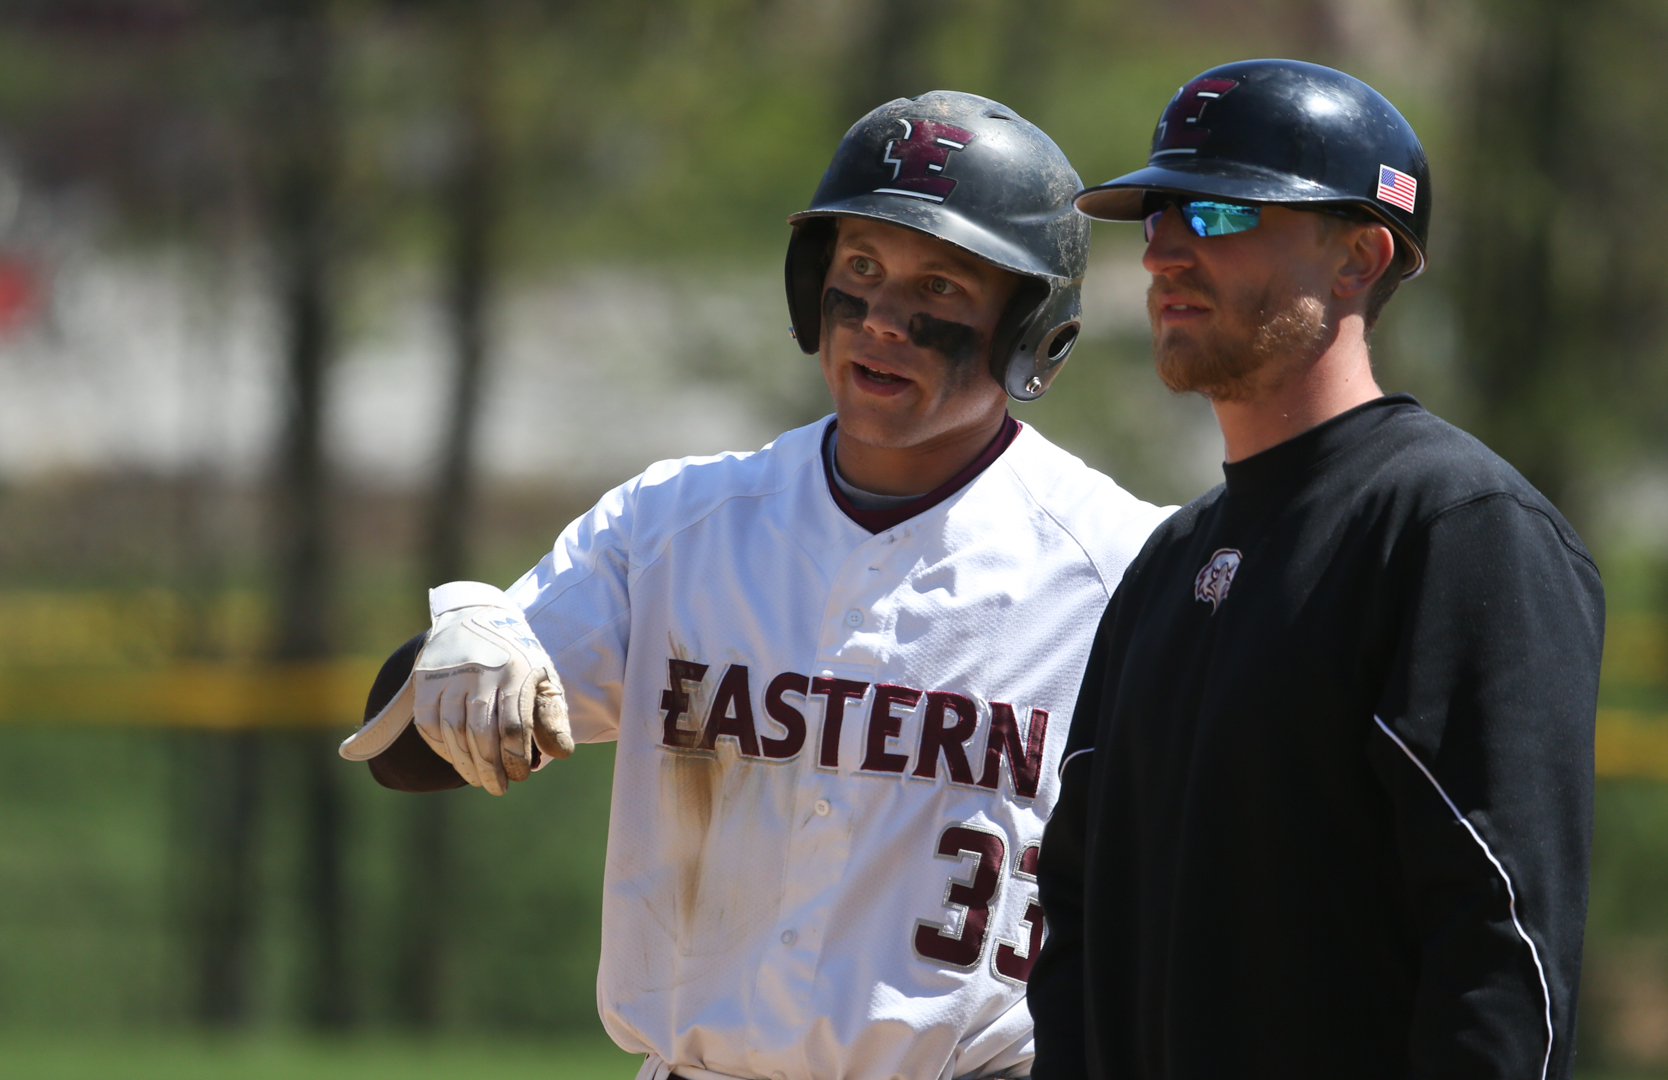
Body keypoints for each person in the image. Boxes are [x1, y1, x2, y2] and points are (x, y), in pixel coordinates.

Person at [338, 91, 1173, 1080]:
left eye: (942, 286)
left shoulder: (1122, 570)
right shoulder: (674, 528)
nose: (885, 319)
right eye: (859, 268)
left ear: (1035, 332)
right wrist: (467, 645)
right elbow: (408, 757)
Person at [1027, 60, 1606, 1080]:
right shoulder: (1170, 559)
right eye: (1156, 213)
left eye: (1214, 213)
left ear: (1359, 257)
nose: (1160, 251)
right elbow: (1072, 920)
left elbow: (1498, 949)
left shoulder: (1455, 528)